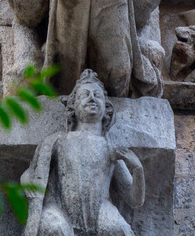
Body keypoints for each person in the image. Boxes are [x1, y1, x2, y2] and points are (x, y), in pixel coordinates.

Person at [22, 70, 145, 236]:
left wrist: (138, 169)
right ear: (73, 105)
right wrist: (27, 182)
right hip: (60, 209)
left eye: (97, 95)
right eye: (84, 95)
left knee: (118, 229)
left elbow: (134, 199)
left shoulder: (111, 147)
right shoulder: (56, 141)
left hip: (100, 211)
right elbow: (33, 173)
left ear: (106, 107)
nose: (92, 98)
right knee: (56, 229)